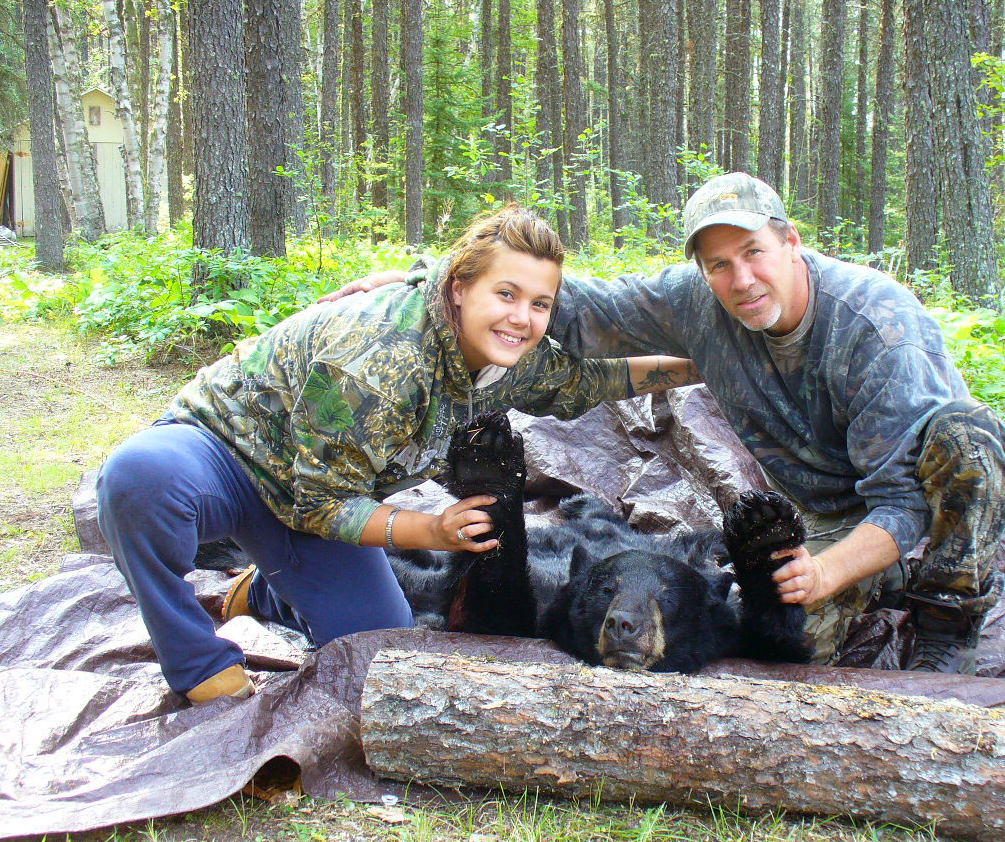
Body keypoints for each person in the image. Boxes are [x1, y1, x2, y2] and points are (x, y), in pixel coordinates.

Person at [327, 174, 1005, 675]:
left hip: (907, 510)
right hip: (814, 520)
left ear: (791, 241)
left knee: (966, 435)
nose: (740, 278)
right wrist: (423, 277)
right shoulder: (699, 302)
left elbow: (900, 503)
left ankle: (948, 617)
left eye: (753, 252)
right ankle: (885, 585)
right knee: (781, 648)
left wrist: (829, 571)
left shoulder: (874, 323)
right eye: (718, 264)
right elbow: (575, 307)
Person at [97, 205, 699, 703]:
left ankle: (261, 592)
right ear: (458, 288)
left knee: (384, 656)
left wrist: (704, 365)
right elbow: (317, 503)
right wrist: (432, 531)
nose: (522, 317)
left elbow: (582, 384)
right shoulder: (380, 361)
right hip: (226, 457)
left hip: (317, 499)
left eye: (540, 304)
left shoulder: (503, 350)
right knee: (138, 479)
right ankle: (195, 658)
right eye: (506, 294)